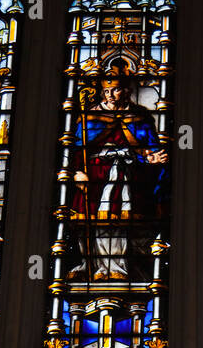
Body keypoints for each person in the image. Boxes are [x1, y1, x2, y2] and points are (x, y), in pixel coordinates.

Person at [68, 64, 168, 283]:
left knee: (117, 220)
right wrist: (76, 172)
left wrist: (152, 158)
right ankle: (91, 263)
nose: (111, 95)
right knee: (90, 220)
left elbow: (149, 148)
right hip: (94, 174)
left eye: (116, 90)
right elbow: (76, 148)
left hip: (125, 173)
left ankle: (117, 266)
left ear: (127, 91)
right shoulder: (90, 117)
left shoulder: (139, 116)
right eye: (106, 91)